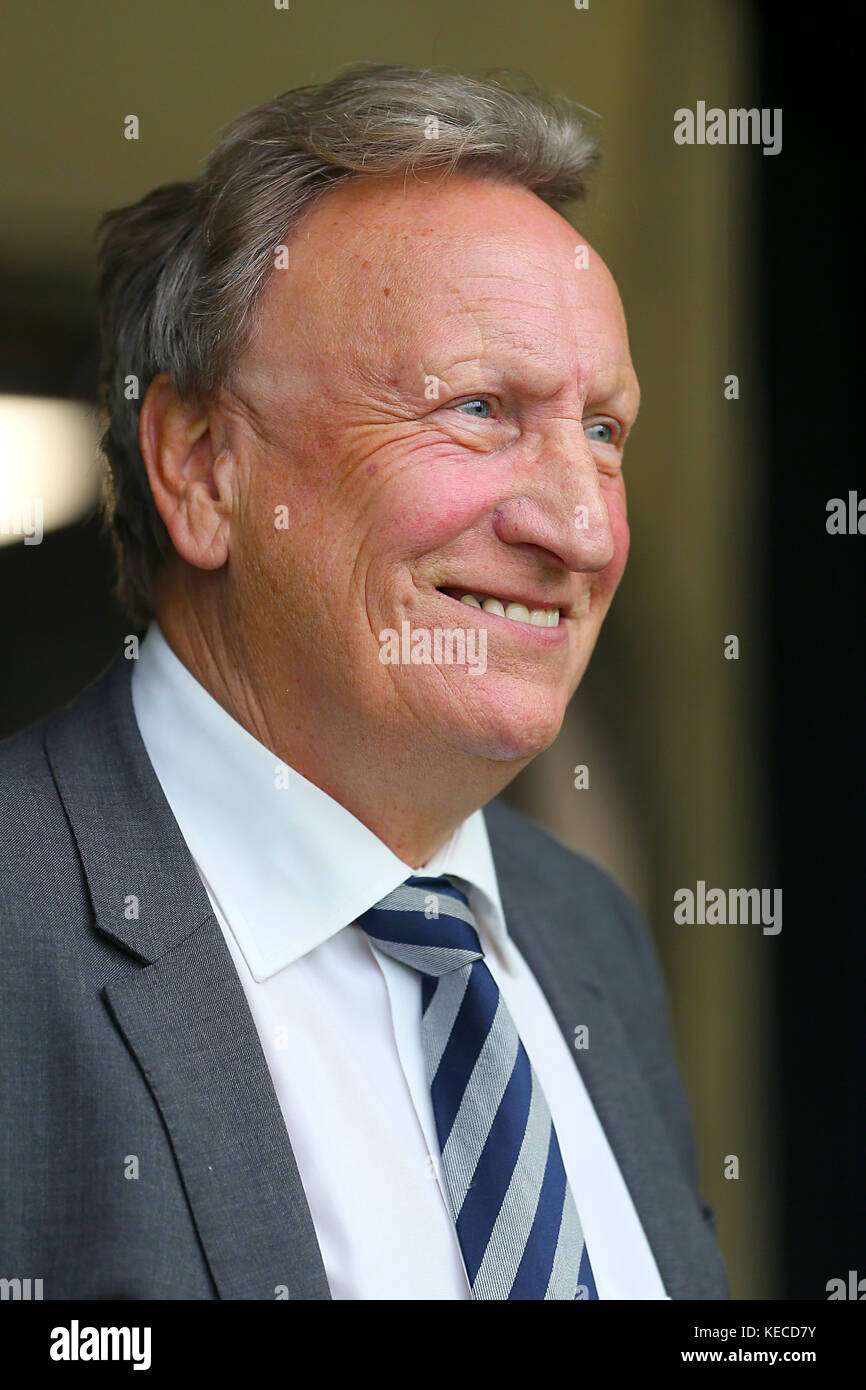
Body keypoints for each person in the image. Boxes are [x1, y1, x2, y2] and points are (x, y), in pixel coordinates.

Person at [0, 63, 728, 1300]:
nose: (582, 530)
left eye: (602, 430)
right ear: (200, 464)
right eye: (478, 407)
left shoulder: (579, 928)